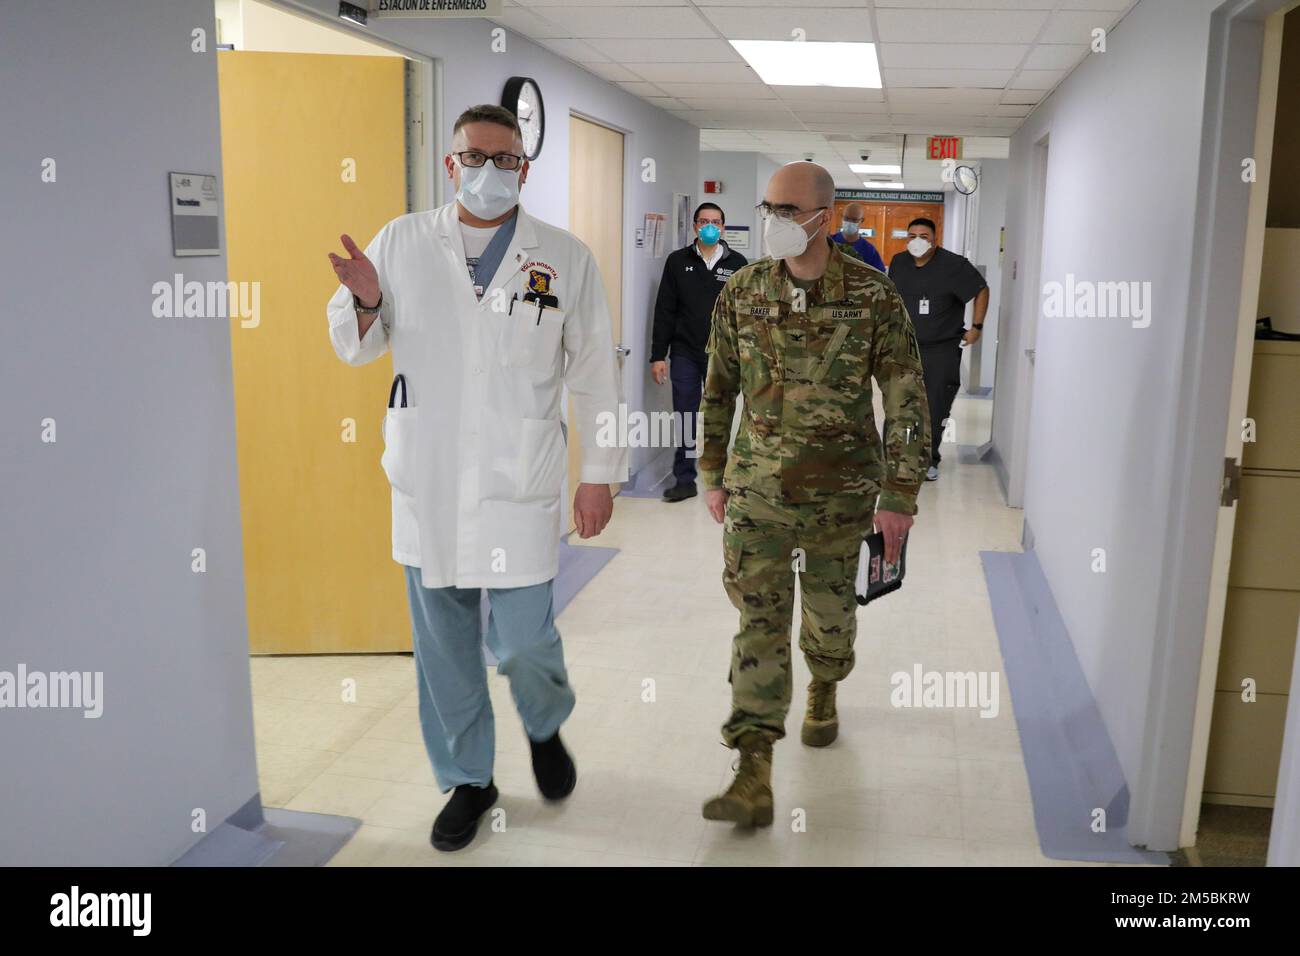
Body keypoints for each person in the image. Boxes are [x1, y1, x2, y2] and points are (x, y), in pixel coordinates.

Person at [325, 104, 627, 852]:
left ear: (524, 167)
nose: (489, 170)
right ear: (451, 161)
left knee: (524, 643)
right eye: (475, 155)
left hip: (518, 480)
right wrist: (366, 297)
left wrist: (602, 474)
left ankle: (545, 721)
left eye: (506, 158)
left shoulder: (563, 256)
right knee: (445, 650)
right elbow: (356, 349)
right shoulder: (400, 241)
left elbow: (593, 372)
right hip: (426, 480)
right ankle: (469, 779)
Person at [698, 162, 931, 827]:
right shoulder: (741, 291)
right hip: (759, 493)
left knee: (830, 622)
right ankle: (753, 771)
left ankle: (826, 682)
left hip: (844, 493)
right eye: (767, 206)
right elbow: (717, 389)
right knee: (758, 624)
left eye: (788, 209)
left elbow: (907, 398)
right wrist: (712, 473)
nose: (773, 219)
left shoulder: (874, 295)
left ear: (825, 218)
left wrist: (900, 492)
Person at [650, 203, 748, 503]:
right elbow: (665, 309)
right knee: (685, 416)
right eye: (704, 221)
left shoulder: (738, 263)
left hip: (723, 354)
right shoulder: (678, 262)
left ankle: (723, 477)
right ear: (694, 226)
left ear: (723, 227)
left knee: (721, 415)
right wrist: (658, 355)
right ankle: (685, 478)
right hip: (685, 352)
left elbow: (745, 313)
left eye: (715, 222)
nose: (709, 226)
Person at [887, 218, 988, 481]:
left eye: (923, 235)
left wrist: (976, 326)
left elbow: (981, 289)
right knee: (900, 406)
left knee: (934, 407)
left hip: (941, 350)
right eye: (911, 236)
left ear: (935, 238)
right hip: (904, 348)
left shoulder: (953, 266)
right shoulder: (899, 263)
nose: (917, 241)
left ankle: (928, 460)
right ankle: (899, 458)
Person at [830, 202, 886, 271]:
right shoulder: (829, 242)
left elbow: (880, 275)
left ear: (861, 220)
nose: (849, 223)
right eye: (846, 218)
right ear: (842, 217)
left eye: (854, 220)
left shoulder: (869, 250)